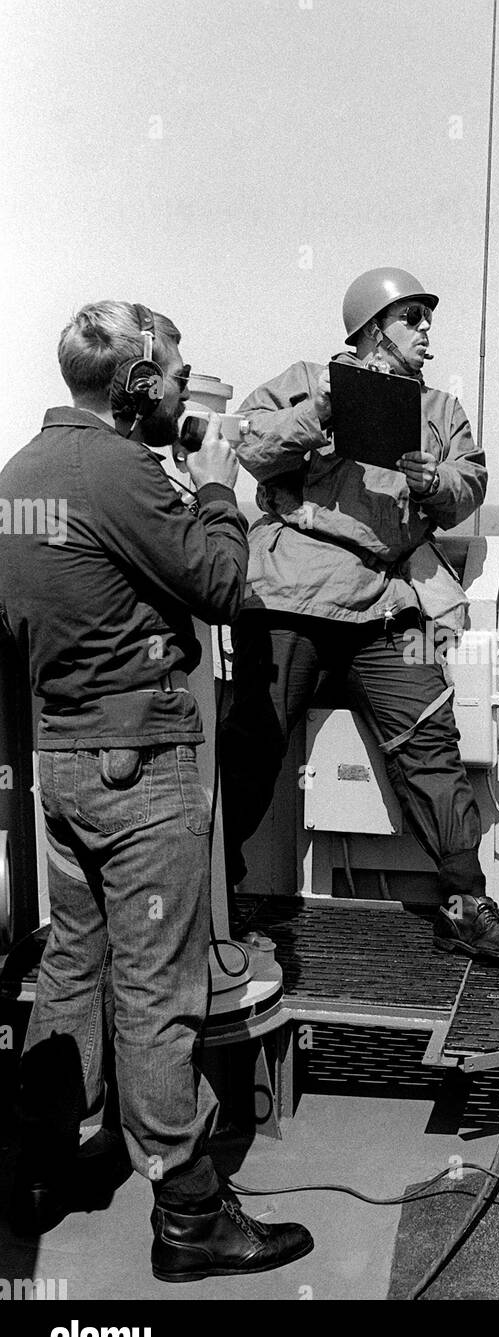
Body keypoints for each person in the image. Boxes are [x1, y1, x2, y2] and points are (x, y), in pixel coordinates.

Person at [0, 300, 313, 1280]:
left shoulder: (21, 474)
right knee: (157, 986)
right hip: (141, 764)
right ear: (137, 382)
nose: (183, 384)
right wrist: (216, 487)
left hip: (64, 762)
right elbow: (220, 583)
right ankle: (188, 1212)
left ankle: (40, 1169)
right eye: (174, 371)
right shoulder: (123, 473)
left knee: (71, 969)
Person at [220, 267, 499, 964]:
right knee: (254, 743)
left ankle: (463, 900)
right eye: (412, 319)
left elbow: (468, 482)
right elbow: (249, 445)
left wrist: (437, 482)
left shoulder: (439, 408)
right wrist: (324, 407)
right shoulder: (306, 377)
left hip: (388, 604)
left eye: (427, 320)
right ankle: (214, 892)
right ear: (370, 330)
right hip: (290, 595)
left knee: (430, 739)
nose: (426, 333)